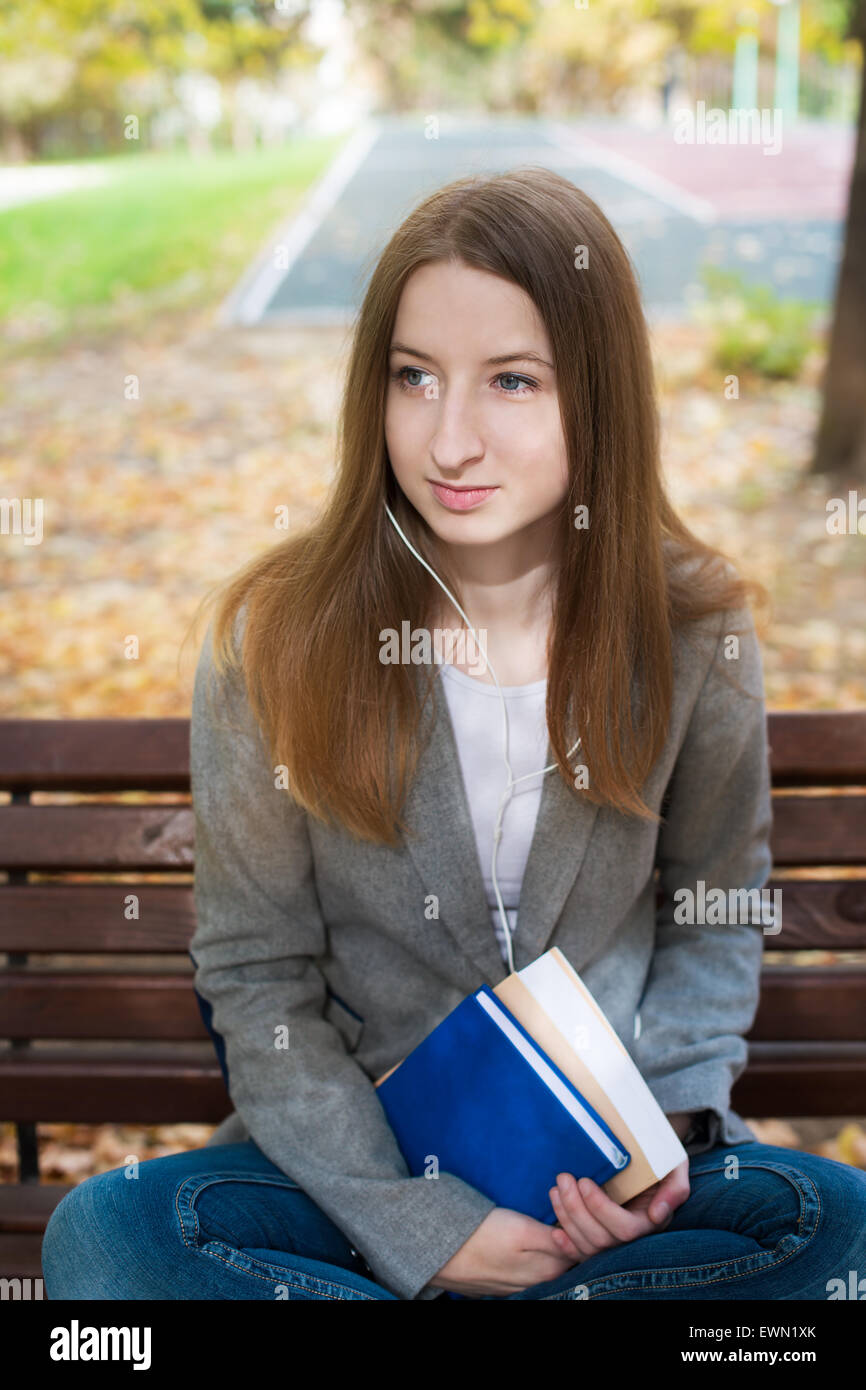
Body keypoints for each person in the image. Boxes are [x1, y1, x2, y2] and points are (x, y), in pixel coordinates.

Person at [42, 167, 866, 1301]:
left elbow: (712, 908)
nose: (450, 438)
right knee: (108, 1236)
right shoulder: (276, 638)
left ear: (597, 394)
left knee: (839, 1226)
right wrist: (424, 1231)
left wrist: (660, 1135)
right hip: (353, 1184)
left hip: (611, 1205)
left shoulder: (690, 629)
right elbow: (258, 979)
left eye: (511, 382)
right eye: (414, 378)